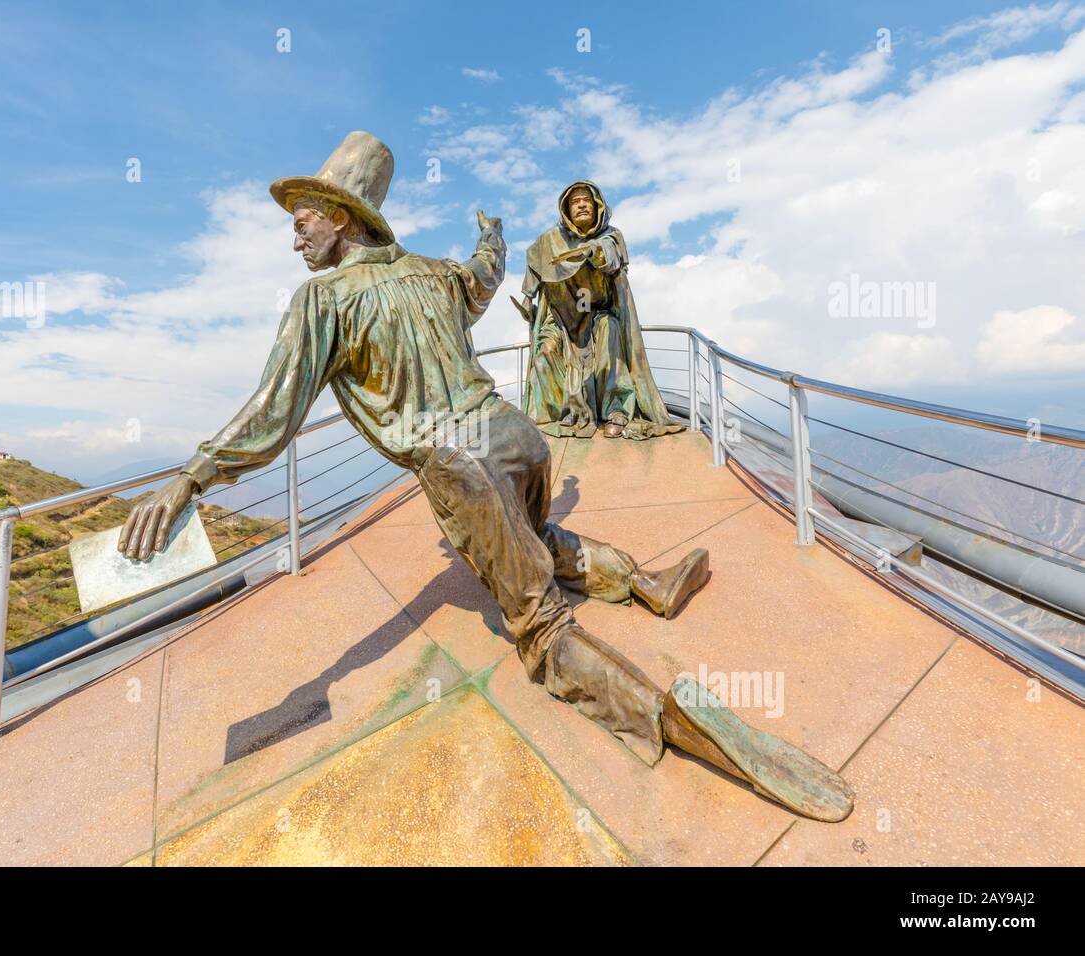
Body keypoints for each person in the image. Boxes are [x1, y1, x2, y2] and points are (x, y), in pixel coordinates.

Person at [118, 132, 853, 822]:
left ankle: (660, 716)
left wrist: (190, 478)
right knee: (531, 534)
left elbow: (271, 413)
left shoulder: (323, 300)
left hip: (457, 456)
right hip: (513, 431)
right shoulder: (434, 274)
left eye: (304, 219)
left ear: (342, 218)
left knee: (537, 620)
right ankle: (640, 582)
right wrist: (491, 235)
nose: (295, 234)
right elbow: (483, 278)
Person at [516, 180, 684, 440]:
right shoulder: (551, 239)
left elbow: (611, 256)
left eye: (587, 201)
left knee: (610, 333)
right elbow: (535, 260)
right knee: (544, 354)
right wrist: (528, 297)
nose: (581, 205)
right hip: (561, 317)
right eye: (575, 201)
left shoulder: (610, 236)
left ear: (597, 207)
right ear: (566, 210)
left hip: (597, 313)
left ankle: (616, 410)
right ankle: (557, 413)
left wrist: (593, 250)